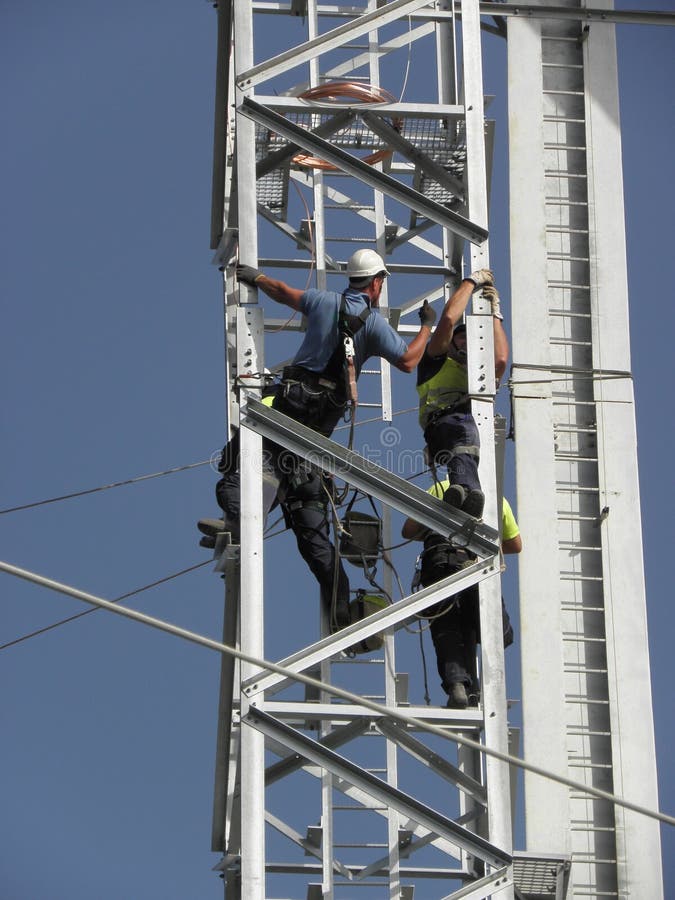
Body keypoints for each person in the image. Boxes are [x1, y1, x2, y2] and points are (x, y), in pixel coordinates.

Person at [402, 481, 522, 709]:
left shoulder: (438, 487)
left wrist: (432, 526)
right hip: (476, 565)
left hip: (439, 562)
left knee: (447, 629)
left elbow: (408, 530)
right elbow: (515, 544)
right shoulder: (497, 498)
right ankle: (472, 690)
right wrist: (489, 546)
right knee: (485, 630)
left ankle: (458, 685)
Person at [416, 270, 509, 518]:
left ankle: (464, 494)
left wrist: (495, 314)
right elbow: (447, 320)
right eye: (462, 338)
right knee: (464, 436)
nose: (468, 343)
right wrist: (471, 282)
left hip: (445, 434)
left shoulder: (475, 376)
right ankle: (466, 489)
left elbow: (500, 360)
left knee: (465, 447)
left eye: (473, 339)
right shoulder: (435, 358)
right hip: (447, 424)